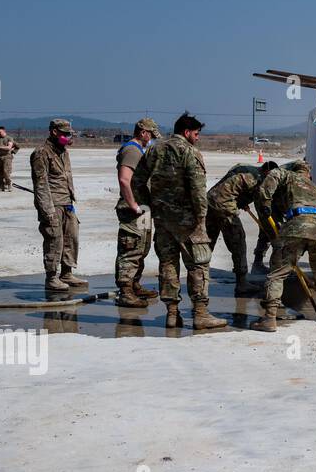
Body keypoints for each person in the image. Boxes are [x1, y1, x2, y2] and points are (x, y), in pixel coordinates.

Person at [131, 112, 227, 330]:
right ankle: (201, 313)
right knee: (198, 265)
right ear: (186, 132)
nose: (198, 137)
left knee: (168, 265)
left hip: (163, 220)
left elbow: (137, 181)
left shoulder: (154, 149)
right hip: (188, 221)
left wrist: (150, 206)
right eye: (196, 133)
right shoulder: (190, 152)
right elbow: (197, 189)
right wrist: (201, 217)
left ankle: (172, 314)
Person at [252, 160, 316, 330]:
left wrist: (265, 203)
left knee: (278, 272)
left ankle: (269, 318)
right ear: (309, 174)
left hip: (297, 225)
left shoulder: (288, 175)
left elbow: (272, 176)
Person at [29, 119, 86, 292]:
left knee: (71, 238)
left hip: (67, 203)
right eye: (65, 134)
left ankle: (66, 273)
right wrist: (48, 211)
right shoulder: (41, 153)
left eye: (70, 134)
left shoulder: (64, 152)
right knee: (55, 240)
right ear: (54, 132)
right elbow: (41, 184)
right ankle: (51, 277)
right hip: (53, 205)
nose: (68, 137)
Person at [206, 161, 276, 296]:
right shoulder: (258, 178)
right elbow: (262, 202)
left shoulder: (246, 168)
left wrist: (241, 201)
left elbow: (234, 184)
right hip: (224, 205)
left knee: (208, 243)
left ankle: (198, 282)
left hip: (210, 201)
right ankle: (242, 283)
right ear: (268, 172)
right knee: (238, 241)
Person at [113, 119, 162, 308]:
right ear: (143, 132)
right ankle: (125, 291)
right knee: (130, 249)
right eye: (150, 134)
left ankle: (134, 284)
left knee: (142, 247)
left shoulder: (139, 150)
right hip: (133, 210)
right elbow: (124, 180)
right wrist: (133, 205)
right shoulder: (132, 150)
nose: (151, 139)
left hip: (143, 209)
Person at [0, 126, 18, 191]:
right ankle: (1, 186)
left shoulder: (9, 138)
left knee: (6, 172)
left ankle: (9, 185)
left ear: (4, 131)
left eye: (0, 132)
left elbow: (8, 147)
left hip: (7, 157)